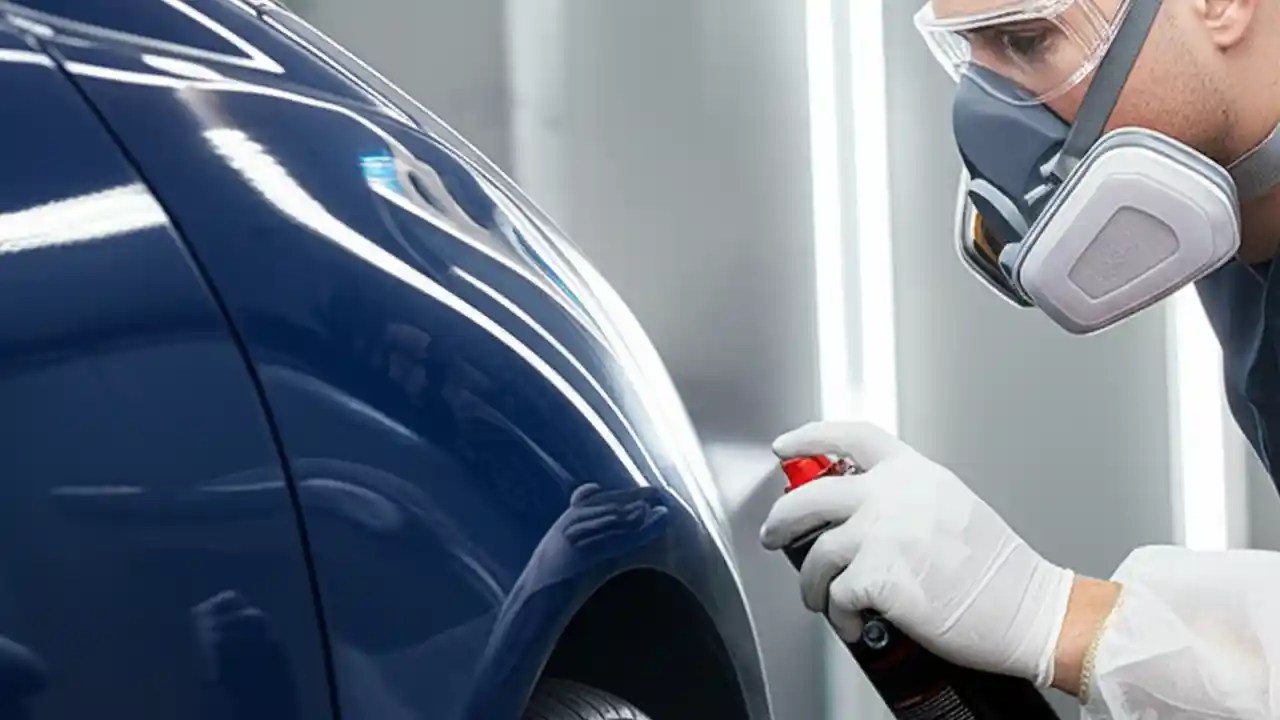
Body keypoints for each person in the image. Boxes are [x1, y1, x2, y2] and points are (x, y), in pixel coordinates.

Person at [760, 0, 1280, 717]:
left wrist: (1061, 618)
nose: (986, 120)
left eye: (1029, 39)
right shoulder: (1235, 230)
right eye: (969, 54)